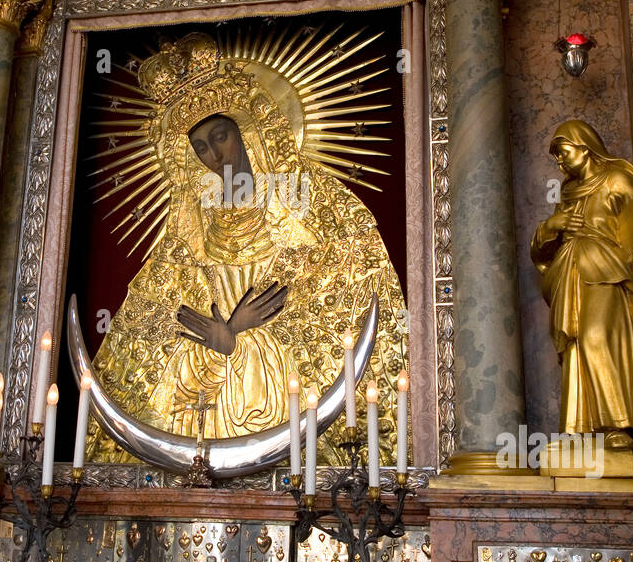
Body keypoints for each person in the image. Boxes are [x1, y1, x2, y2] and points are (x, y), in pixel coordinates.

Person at [84, 33, 407, 465]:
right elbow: (161, 327)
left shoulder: (311, 202)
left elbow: (342, 285)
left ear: (247, 132)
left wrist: (248, 331)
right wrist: (226, 336)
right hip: (204, 412)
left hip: (292, 409)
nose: (214, 156)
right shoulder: (188, 237)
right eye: (200, 148)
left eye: (220, 137)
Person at [529, 120, 633, 446]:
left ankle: (616, 425)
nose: (560, 162)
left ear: (585, 147)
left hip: (608, 273)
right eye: (556, 157)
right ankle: (580, 430)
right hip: (571, 275)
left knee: (597, 338)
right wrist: (552, 225)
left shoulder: (617, 179)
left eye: (563, 153)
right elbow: (543, 248)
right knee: (576, 346)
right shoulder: (569, 192)